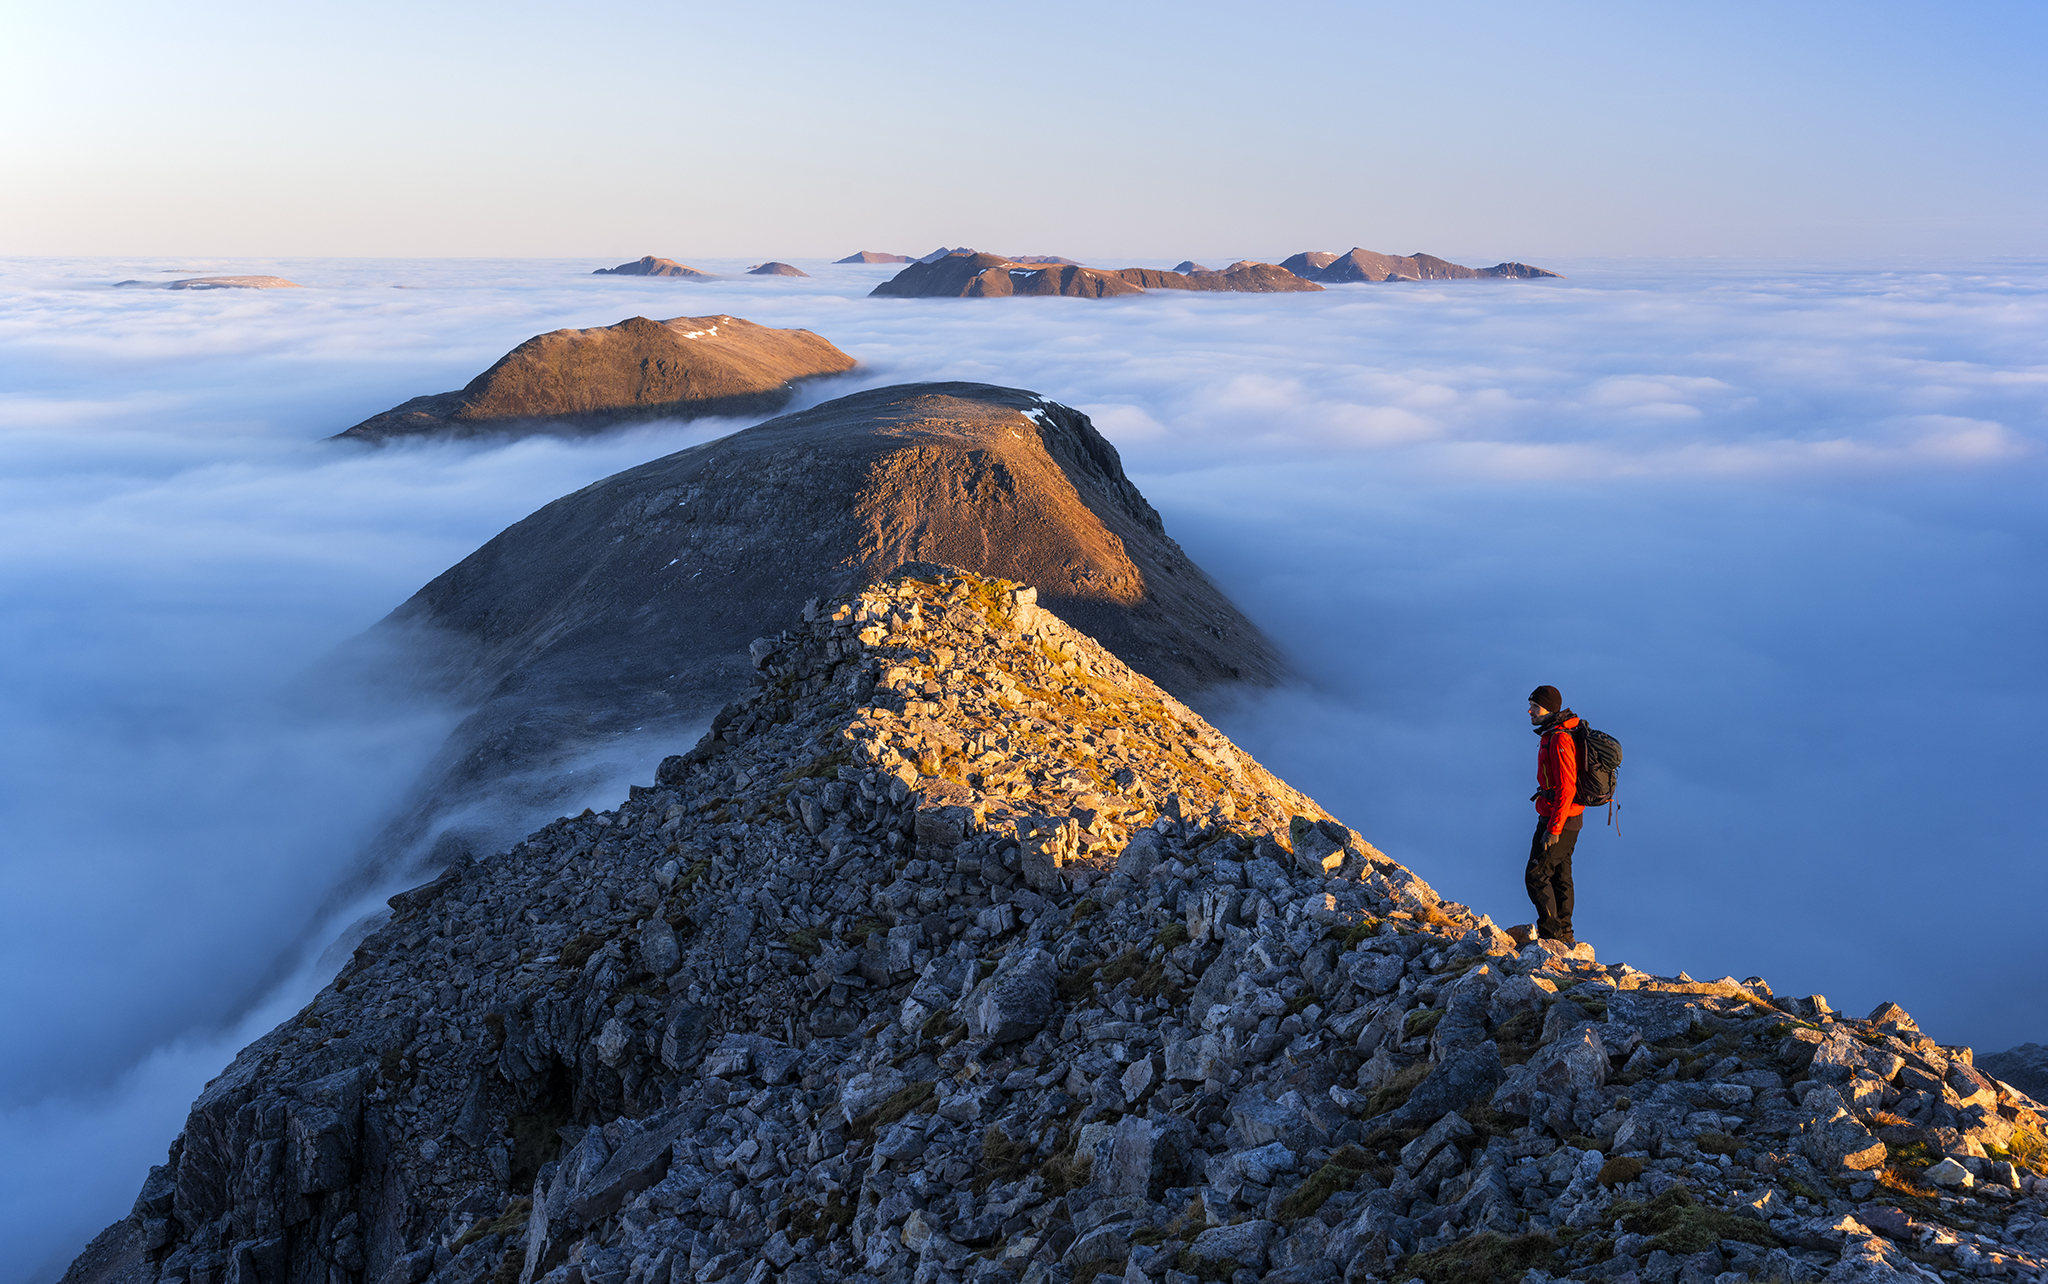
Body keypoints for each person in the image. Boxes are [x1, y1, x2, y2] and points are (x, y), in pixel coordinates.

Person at [1525, 684, 1583, 945]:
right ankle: (1565, 936)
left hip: (1560, 819)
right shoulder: (1553, 733)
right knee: (1560, 875)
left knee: (1536, 876)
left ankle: (1551, 936)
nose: (1529, 711)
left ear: (1549, 709)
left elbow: (1567, 786)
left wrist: (1554, 827)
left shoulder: (1559, 738)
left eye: (1535, 706)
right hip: (1565, 817)